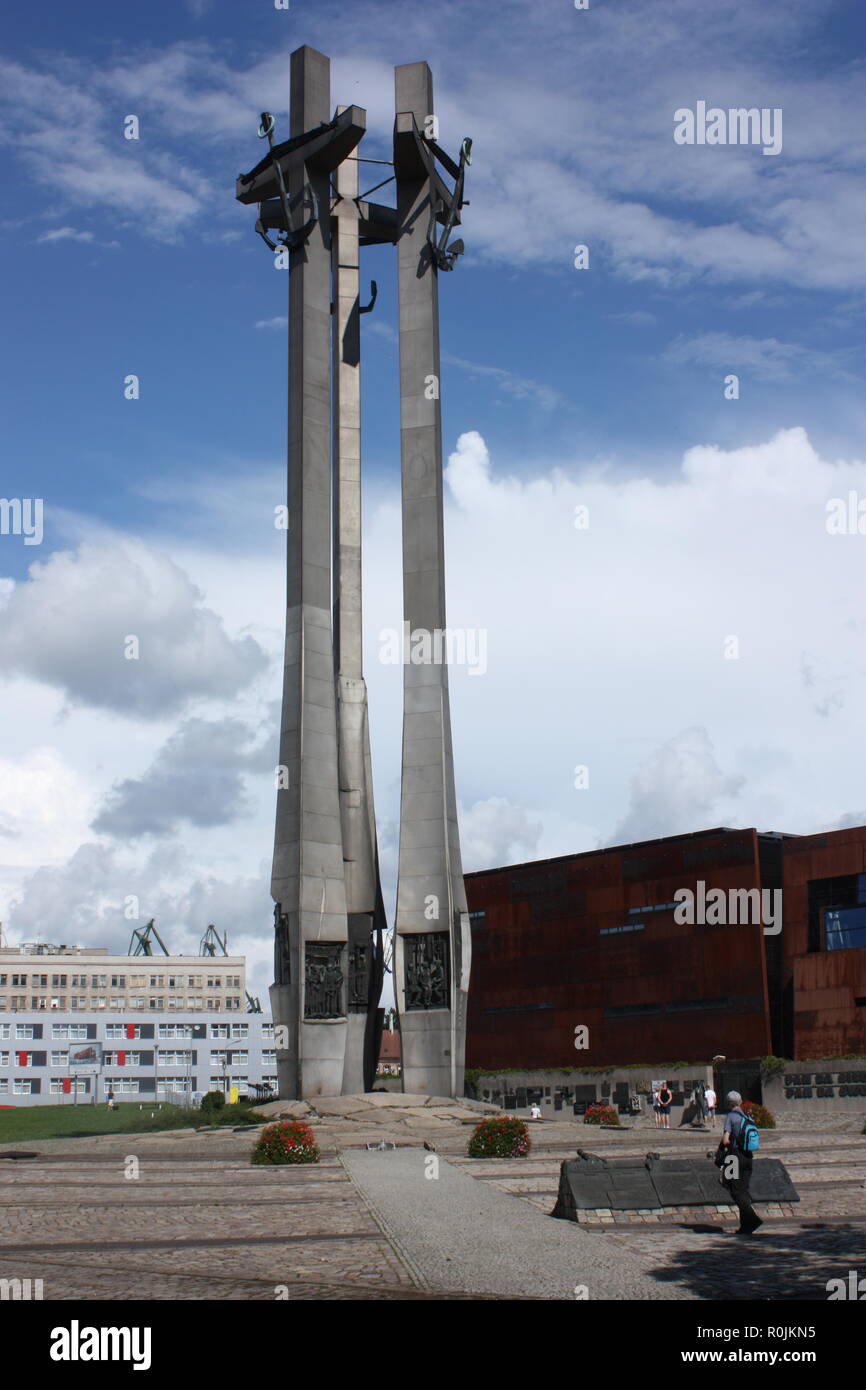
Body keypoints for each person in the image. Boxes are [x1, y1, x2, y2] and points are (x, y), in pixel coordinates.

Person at [720, 1091, 763, 1235]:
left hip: (734, 1156)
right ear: (740, 1102)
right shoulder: (746, 1115)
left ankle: (752, 1218)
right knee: (743, 1190)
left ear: (728, 1103)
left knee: (734, 1189)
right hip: (748, 1156)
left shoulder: (731, 1117)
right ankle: (746, 1226)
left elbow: (726, 1140)